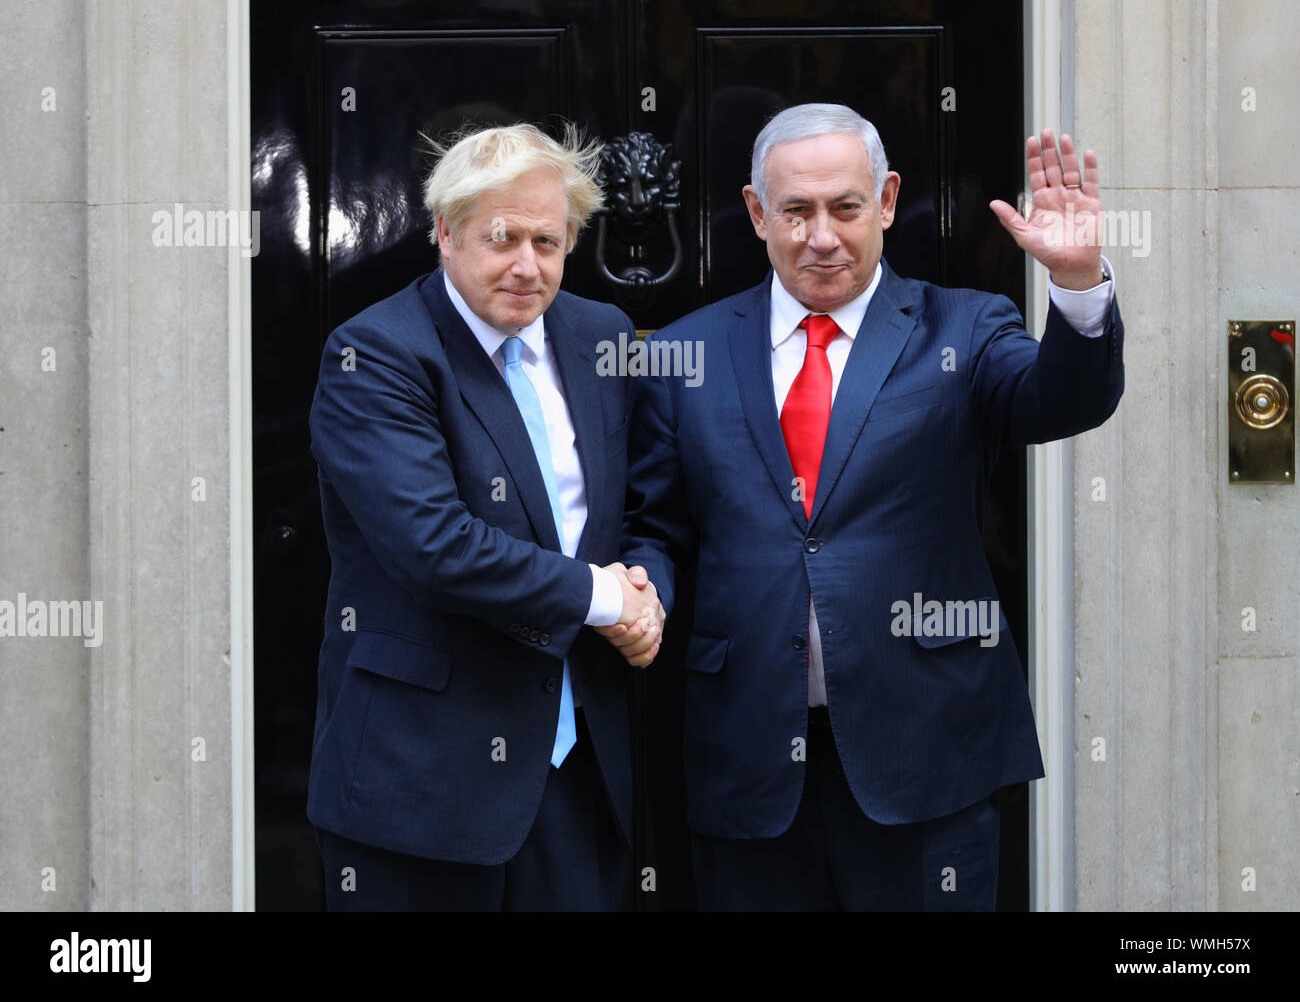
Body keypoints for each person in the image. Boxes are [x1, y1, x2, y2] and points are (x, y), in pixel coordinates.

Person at [623, 103, 1124, 910]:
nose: (822, 236)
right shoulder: (687, 352)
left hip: (925, 752)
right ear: (757, 214)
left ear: (887, 201)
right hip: (747, 756)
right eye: (796, 210)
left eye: (846, 208)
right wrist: (638, 592)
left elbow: (1061, 401)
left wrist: (1073, 283)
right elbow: (657, 527)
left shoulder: (964, 325)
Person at [307, 122, 663, 910]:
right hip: (421, 782)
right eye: (502, 239)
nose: (527, 267)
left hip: (579, 774)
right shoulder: (377, 354)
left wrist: (648, 586)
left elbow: (643, 500)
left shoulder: (600, 334)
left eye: (548, 240)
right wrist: (607, 600)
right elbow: (433, 544)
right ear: (444, 232)